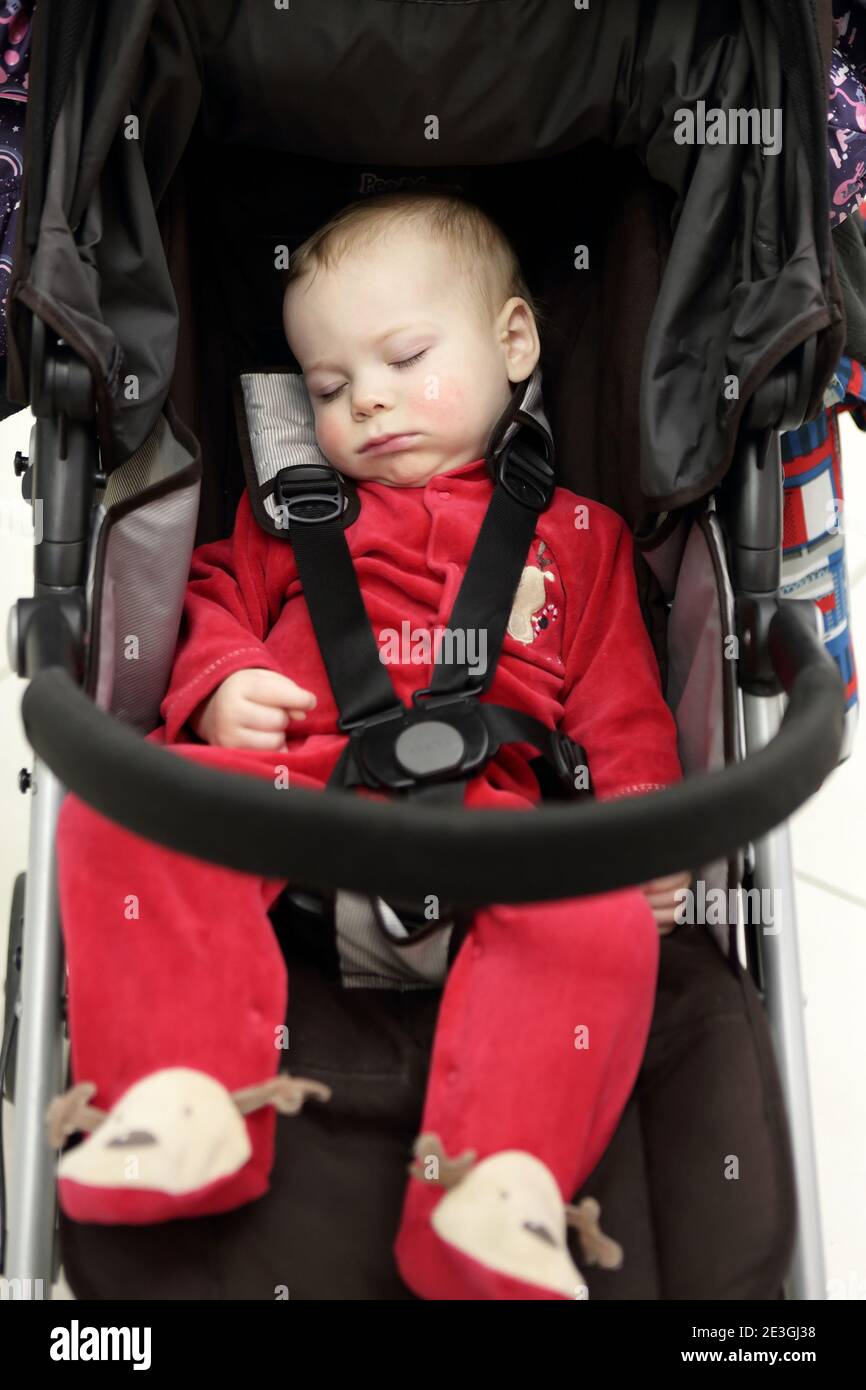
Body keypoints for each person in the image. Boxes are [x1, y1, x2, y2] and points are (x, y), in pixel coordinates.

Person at [54, 189, 691, 1299]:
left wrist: (641, 823)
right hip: (287, 781)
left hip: (490, 818)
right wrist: (219, 686)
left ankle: (495, 1186)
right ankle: (182, 1098)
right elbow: (210, 602)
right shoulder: (287, 511)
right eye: (332, 389)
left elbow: (621, 704)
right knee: (120, 814)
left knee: (598, 926)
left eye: (402, 358)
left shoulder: (581, 538)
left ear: (513, 341)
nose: (370, 404)